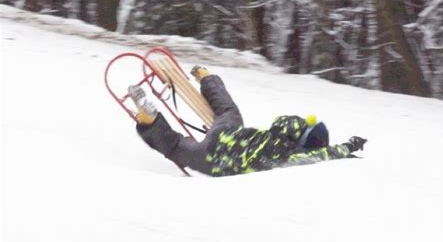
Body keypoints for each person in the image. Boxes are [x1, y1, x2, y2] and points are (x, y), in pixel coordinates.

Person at [129, 66, 367, 177]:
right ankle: (149, 120)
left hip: (227, 134)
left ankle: (207, 77)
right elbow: (322, 156)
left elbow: (282, 123)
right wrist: (347, 147)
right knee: (175, 146)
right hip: (215, 161)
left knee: (229, 110)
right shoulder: (292, 156)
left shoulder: (282, 130)